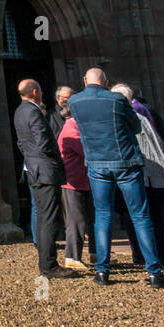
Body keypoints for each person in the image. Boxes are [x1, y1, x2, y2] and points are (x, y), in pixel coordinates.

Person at [67, 68, 164, 288]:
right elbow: (136, 127)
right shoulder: (116, 98)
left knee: (102, 216)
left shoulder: (75, 101)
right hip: (126, 162)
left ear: (85, 80)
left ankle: (102, 272)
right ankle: (154, 273)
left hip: (97, 164)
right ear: (105, 82)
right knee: (140, 216)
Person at [13, 78, 77, 278]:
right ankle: (49, 265)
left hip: (33, 169)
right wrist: (55, 160)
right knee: (49, 218)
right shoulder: (33, 112)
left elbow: (21, 143)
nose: (42, 92)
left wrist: (32, 160)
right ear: (34, 92)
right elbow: (43, 141)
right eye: (39, 89)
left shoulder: (19, 112)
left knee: (42, 218)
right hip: (45, 170)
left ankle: (45, 263)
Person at [113, 83, 164, 267]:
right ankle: (155, 255)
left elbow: (154, 146)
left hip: (139, 175)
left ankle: (145, 255)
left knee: (141, 217)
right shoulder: (138, 116)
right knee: (150, 216)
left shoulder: (136, 117)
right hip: (144, 175)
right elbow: (158, 145)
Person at [56, 92, 94, 270]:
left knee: (85, 218)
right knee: (76, 220)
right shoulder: (72, 128)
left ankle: (92, 254)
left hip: (80, 180)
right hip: (73, 182)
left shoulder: (74, 127)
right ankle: (72, 256)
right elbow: (86, 151)